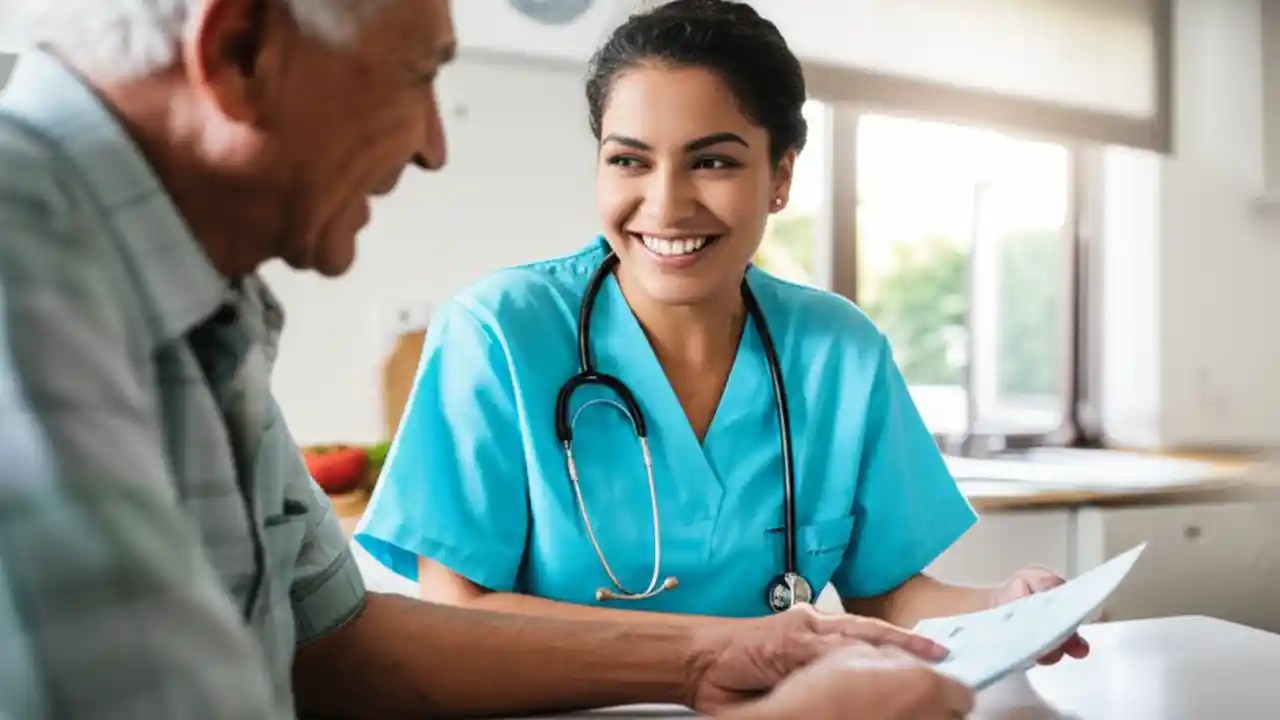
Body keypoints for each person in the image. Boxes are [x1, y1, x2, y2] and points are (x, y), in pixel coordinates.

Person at [0, 0, 975, 718]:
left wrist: (697, 661)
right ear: (241, 49)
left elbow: (333, 642)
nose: (432, 146)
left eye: (713, 159)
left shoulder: (205, 314)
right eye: (416, 75)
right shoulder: (26, 270)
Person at [355, 0, 1090, 664]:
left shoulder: (839, 352)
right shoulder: (499, 334)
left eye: (712, 161)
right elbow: (458, 616)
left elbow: (888, 598)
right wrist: (723, 647)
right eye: (628, 161)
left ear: (781, 174)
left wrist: (1002, 608)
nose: (666, 204)